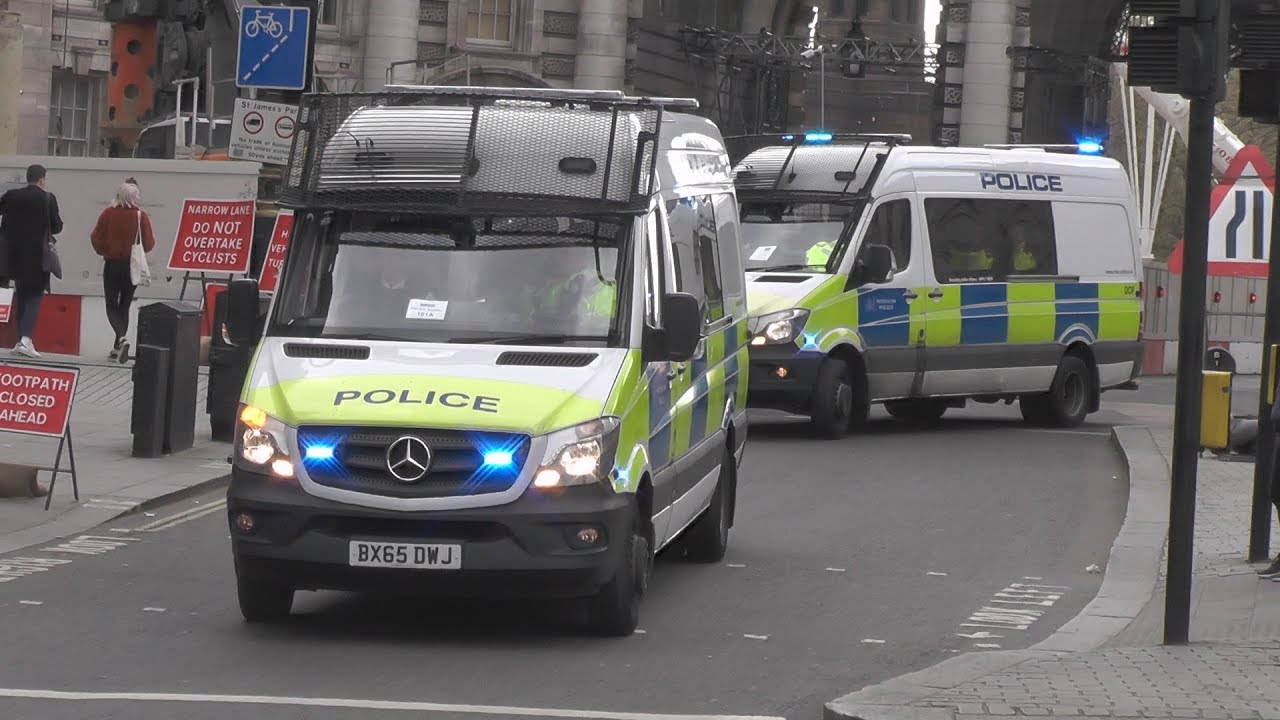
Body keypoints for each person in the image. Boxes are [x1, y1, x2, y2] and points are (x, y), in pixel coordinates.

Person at [0, 164, 63, 358]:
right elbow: (57, 226)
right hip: (38, 256)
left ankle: (21, 340)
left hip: (14, 255)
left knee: (21, 296)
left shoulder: (11, 195)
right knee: (34, 296)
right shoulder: (47, 198)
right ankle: (26, 340)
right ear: (42, 179)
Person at [91, 181, 156, 362]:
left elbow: (95, 237)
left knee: (111, 305)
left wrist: (104, 250)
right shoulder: (140, 216)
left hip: (112, 264)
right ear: (133, 197)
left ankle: (120, 339)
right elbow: (149, 243)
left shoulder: (107, 214)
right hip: (132, 266)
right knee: (125, 305)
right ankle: (118, 346)